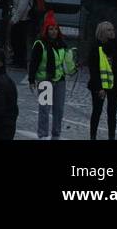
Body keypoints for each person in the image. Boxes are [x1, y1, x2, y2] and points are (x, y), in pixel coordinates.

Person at [28, 11, 75, 139]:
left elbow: (66, 62)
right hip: (45, 81)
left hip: (60, 80)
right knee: (44, 110)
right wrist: (31, 80)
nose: (54, 31)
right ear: (46, 30)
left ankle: (56, 135)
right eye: (51, 29)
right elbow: (33, 63)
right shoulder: (40, 44)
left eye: (55, 29)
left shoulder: (62, 44)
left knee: (58, 110)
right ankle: (42, 135)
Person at [86, 21, 117, 140]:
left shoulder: (115, 45)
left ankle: (111, 137)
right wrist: (99, 88)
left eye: (113, 29)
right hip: (100, 84)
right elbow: (93, 70)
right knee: (97, 112)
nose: (112, 32)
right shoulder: (95, 48)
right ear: (102, 32)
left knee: (112, 113)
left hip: (115, 84)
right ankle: (93, 136)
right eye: (109, 30)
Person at [8, 0, 34, 67]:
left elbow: (22, 6)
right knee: (16, 40)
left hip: (22, 19)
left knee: (19, 41)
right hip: (20, 17)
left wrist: (14, 19)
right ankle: (16, 60)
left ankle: (20, 61)